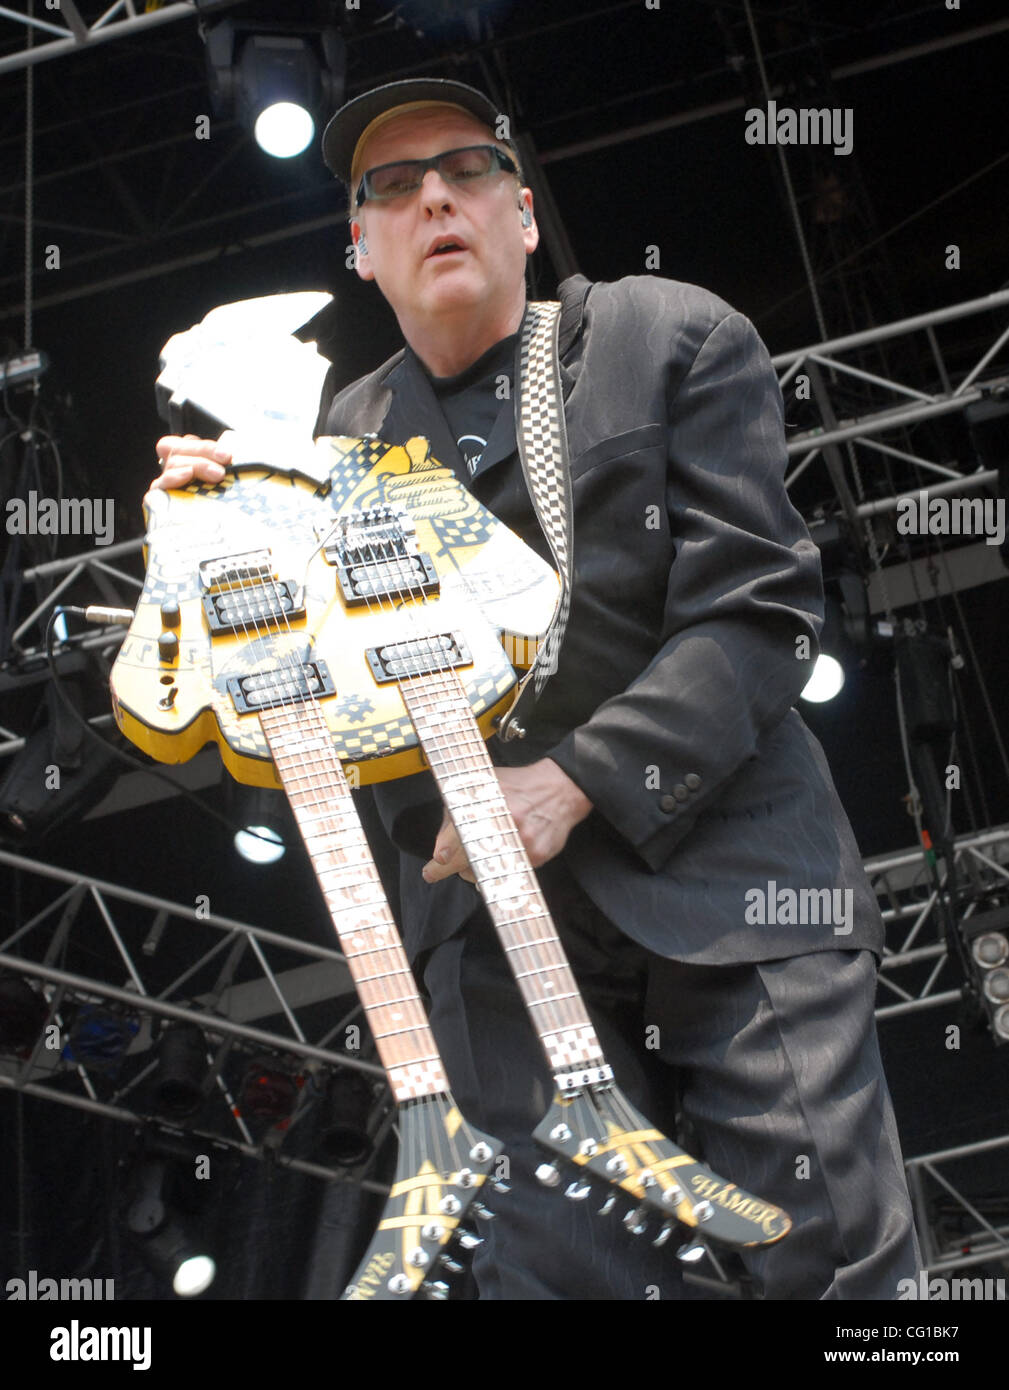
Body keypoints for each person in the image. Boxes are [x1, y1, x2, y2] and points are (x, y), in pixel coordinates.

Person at [152, 78, 922, 1300]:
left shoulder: (665, 335)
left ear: (522, 216)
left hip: (729, 876)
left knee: (825, 1255)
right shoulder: (321, 457)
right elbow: (270, 710)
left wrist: (571, 782)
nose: (433, 199)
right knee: (563, 1278)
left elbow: (760, 612)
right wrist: (208, 545)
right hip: (492, 933)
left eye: (465, 170)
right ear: (360, 249)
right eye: (392, 189)